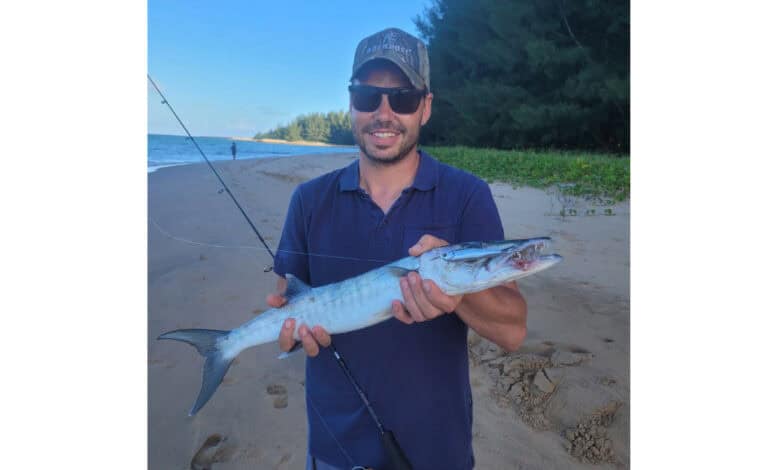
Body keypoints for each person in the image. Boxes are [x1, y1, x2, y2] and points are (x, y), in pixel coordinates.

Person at [267, 27, 528, 470]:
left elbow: (512, 331)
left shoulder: (466, 195)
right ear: (351, 104)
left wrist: (456, 293)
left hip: (437, 452)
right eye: (368, 97)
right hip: (335, 451)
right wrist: (292, 335)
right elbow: (285, 303)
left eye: (403, 98)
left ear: (425, 107)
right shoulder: (308, 200)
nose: (383, 113)